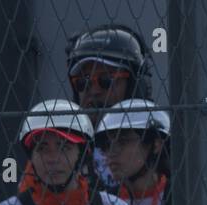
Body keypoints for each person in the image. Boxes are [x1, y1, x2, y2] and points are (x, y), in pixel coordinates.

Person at [0, 99, 130, 205]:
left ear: (83, 154)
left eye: (64, 147)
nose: (53, 159)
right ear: (31, 157)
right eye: (42, 148)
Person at [66, 24, 154, 190]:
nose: (93, 91)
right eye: (82, 83)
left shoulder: (161, 149)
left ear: (135, 87)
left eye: (106, 80)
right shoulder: (61, 153)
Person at [96, 99, 172, 205]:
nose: (111, 153)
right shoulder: (102, 202)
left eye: (122, 142)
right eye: (106, 145)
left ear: (156, 144)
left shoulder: (179, 195)